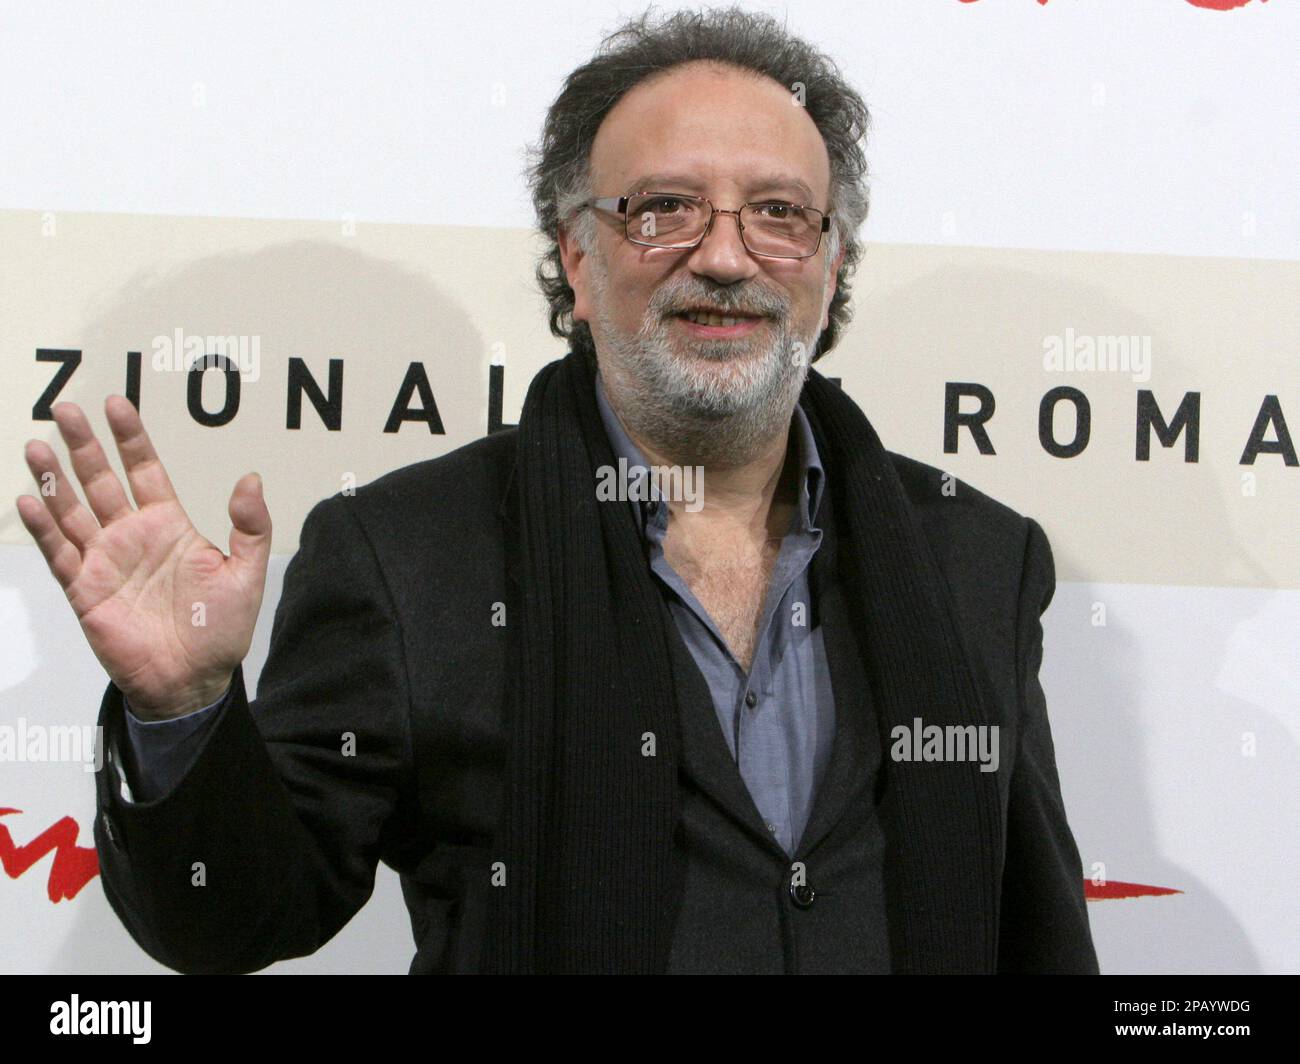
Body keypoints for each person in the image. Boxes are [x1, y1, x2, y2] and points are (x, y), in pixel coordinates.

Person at [16, 8, 1098, 974]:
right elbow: (231, 918)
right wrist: (183, 706)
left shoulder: (975, 558)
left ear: (830, 262)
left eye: (778, 212)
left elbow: (1039, 929)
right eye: (664, 208)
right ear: (576, 260)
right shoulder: (406, 556)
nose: (725, 256)